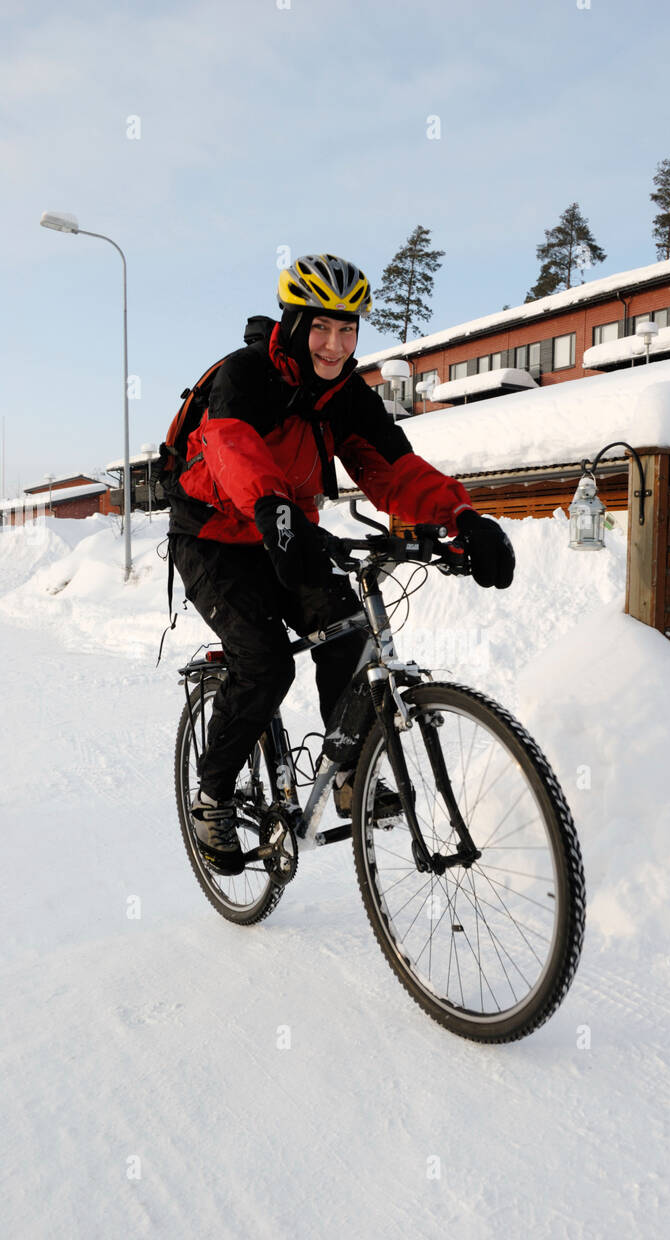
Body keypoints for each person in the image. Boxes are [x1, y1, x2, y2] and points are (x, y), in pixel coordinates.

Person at [168, 252, 514, 874]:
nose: (335, 344)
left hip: (285, 534)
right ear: (296, 324)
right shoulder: (245, 376)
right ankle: (212, 795)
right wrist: (275, 511)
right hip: (215, 539)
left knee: (348, 628)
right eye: (322, 327)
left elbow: (393, 468)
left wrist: (461, 518)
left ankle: (350, 771)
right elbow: (232, 448)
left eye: (348, 328)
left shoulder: (345, 395)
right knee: (265, 663)